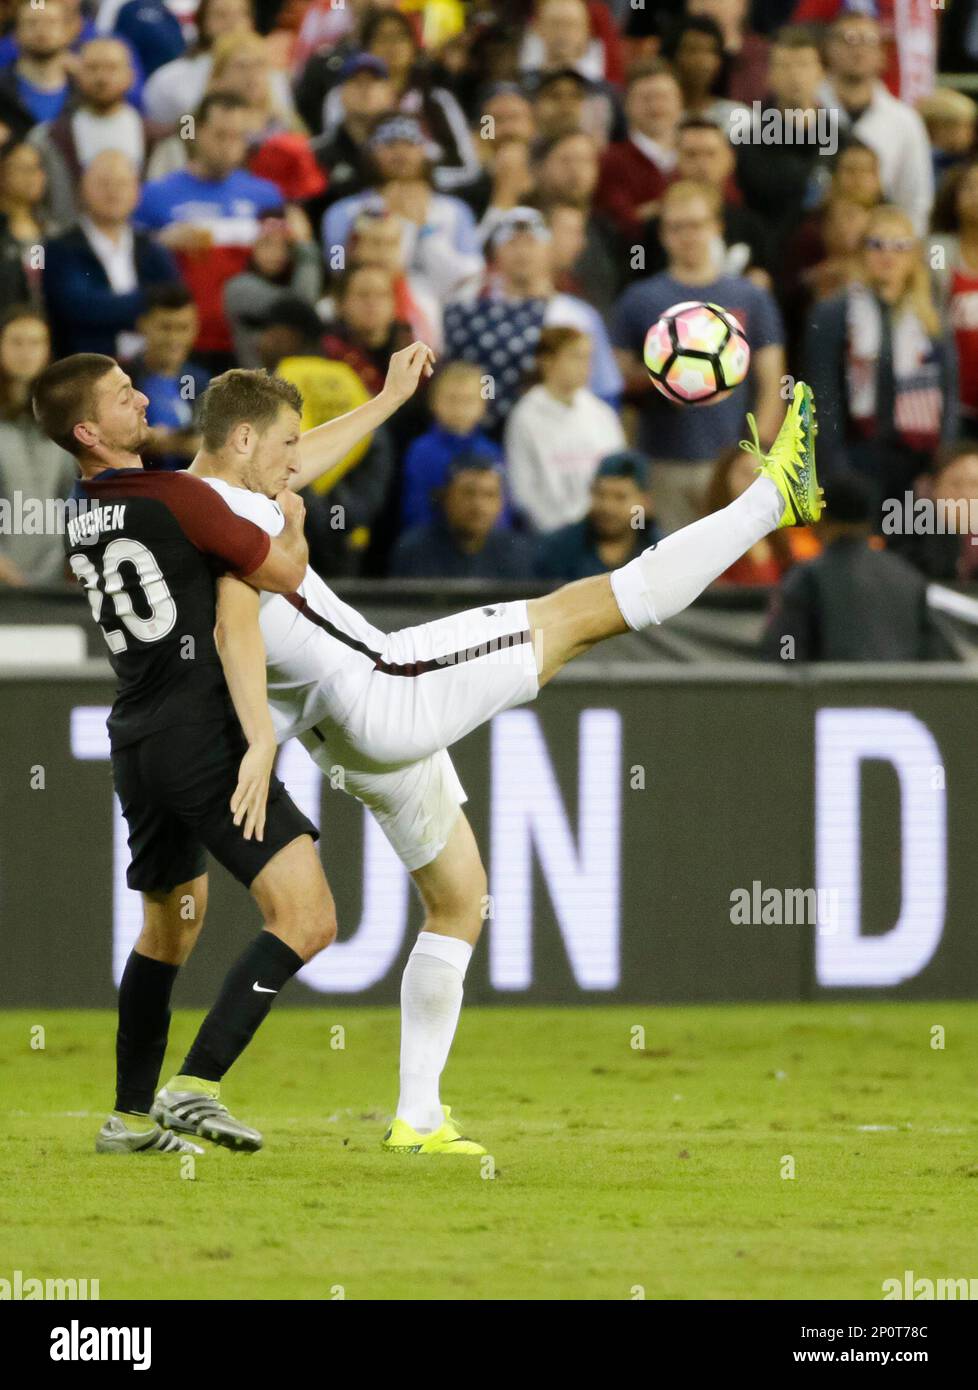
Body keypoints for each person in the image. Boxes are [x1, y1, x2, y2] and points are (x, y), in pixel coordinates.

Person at [188, 368, 822, 1152]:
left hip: (341, 733)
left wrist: (385, 404)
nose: (298, 462)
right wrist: (257, 730)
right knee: (585, 612)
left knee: (460, 899)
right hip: (387, 687)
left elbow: (273, 487)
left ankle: (418, 1119)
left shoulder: (200, 502)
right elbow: (235, 627)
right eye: (287, 443)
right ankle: (771, 500)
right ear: (245, 440)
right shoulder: (244, 517)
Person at [32, 350, 334, 1155]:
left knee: (167, 930)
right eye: (123, 396)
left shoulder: (83, 509)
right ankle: (195, 1086)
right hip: (203, 734)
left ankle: (127, 1119)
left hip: (136, 737)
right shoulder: (176, 499)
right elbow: (280, 572)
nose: (143, 399)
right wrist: (296, 530)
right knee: (306, 916)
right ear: (90, 429)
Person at [612, 179, 786, 533]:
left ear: (716, 227)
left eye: (696, 225)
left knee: (729, 570)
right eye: (677, 227)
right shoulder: (639, 299)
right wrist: (663, 380)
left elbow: (773, 382)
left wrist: (758, 451)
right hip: (661, 461)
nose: (687, 236)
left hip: (731, 462)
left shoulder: (750, 297)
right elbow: (617, 379)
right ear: (663, 234)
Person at [805, 204, 958, 510]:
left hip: (917, 460)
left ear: (913, 256)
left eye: (900, 246)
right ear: (862, 251)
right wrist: (834, 467)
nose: (888, 255)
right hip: (856, 453)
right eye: (877, 244)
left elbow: (949, 396)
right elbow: (822, 397)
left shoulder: (931, 318)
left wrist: (942, 466)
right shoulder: (835, 312)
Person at [136, 92, 284, 373]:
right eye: (220, 135)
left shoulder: (267, 196)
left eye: (238, 136)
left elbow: (281, 265)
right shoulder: (156, 195)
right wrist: (160, 241)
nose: (229, 146)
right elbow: (131, 256)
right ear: (196, 132)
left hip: (248, 339)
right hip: (185, 342)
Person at [760, 471, 952, 661]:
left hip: (833, 690)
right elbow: (934, 654)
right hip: (900, 690)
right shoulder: (910, 578)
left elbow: (784, 652)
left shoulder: (806, 577)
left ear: (821, 516)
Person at [42, 149, 179, 358]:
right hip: (86, 368)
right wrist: (150, 301)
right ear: (82, 189)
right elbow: (81, 307)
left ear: (136, 191)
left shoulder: (151, 247)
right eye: (104, 183)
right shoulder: (61, 248)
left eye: (122, 184)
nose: (113, 192)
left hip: (149, 365)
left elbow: (175, 302)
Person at [819, 12, 933, 235]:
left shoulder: (904, 121)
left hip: (883, 245)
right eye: (848, 39)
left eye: (868, 41)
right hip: (816, 239)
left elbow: (916, 199)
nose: (857, 50)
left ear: (882, 55)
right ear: (828, 50)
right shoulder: (807, 110)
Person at [504, 324, 625, 533]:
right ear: (546, 362)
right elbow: (522, 489)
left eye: (588, 358)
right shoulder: (525, 416)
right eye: (575, 357)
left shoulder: (601, 413)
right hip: (551, 534)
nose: (585, 366)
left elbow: (621, 473)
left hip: (602, 531)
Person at [29, 36, 147, 227]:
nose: (102, 78)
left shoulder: (156, 138)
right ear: (78, 74)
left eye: (111, 68)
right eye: (92, 68)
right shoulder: (47, 138)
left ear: (130, 76)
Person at [0, 306, 76, 588]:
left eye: (36, 343)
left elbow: (70, 494)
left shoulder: (59, 416)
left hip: (53, 574)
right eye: (16, 342)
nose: (26, 352)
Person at [390, 451, 535, 580]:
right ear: (446, 497)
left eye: (489, 495)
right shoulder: (415, 551)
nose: (478, 505)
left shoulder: (517, 553)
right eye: (468, 493)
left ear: (501, 503)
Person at [400, 359, 502, 531]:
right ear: (433, 402)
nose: (459, 408)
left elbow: (502, 512)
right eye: (452, 399)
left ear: (483, 406)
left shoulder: (491, 452)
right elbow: (416, 510)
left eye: (468, 400)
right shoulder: (421, 451)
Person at [535, 450, 659, 581]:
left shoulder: (658, 553)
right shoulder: (559, 550)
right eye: (600, 494)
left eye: (620, 497)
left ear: (644, 502)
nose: (607, 507)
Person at [594, 62, 681, 238]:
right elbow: (618, 221)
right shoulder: (609, 161)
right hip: (635, 258)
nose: (656, 106)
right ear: (627, 105)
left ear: (680, 102)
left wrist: (651, 210)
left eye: (663, 97)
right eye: (646, 98)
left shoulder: (699, 153)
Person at [128, 283, 209, 471]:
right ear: (142, 325)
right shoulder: (124, 377)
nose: (174, 338)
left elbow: (210, 442)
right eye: (166, 327)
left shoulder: (199, 381)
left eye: (183, 328)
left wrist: (163, 440)